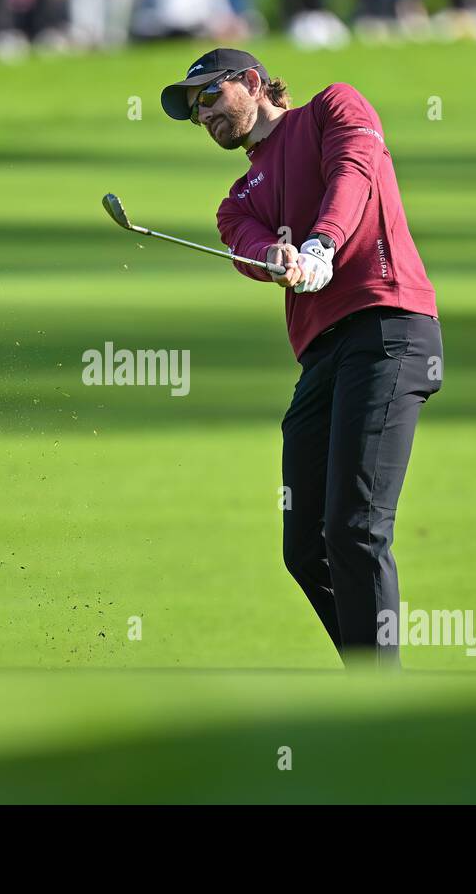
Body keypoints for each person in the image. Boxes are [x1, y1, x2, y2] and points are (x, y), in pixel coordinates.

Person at [160, 49, 442, 668]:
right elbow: (246, 243)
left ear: (252, 83)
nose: (201, 114)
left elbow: (354, 171)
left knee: (356, 529)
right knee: (306, 544)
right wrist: (280, 258)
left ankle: (380, 702)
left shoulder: (331, 108)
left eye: (209, 96)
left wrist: (322, 242)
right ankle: (371, 679)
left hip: (389, 327)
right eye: (191, 109)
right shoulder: (236, 200)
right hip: (322, 359)